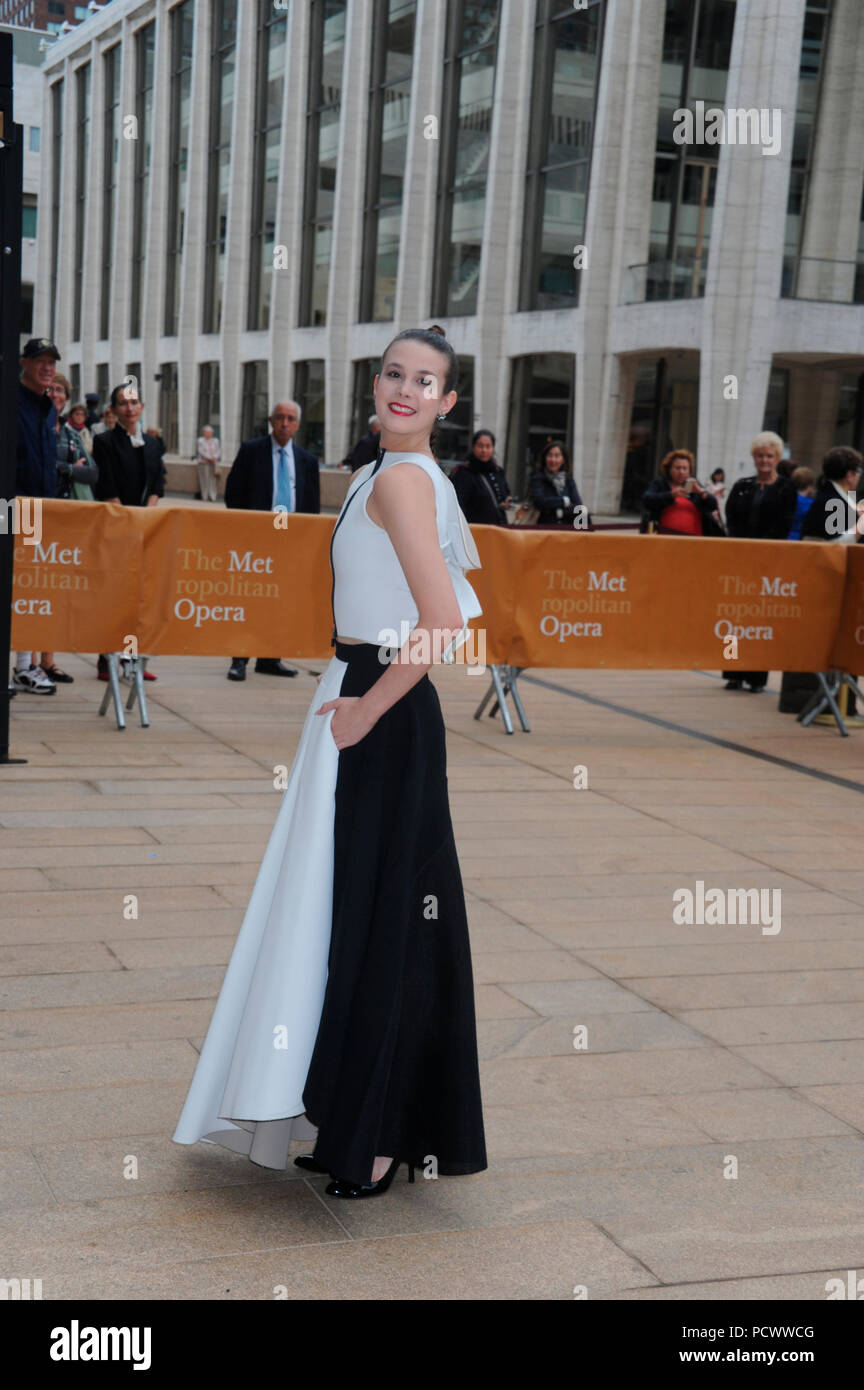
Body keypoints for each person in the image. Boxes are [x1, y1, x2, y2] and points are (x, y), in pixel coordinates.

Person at [173, 323, 487, 1198]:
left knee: (380, 920)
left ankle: (378, 1137)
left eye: (426, 381)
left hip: (381, 711)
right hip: (364, 697)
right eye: (394, 373)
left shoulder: (406, 484)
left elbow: (443, 625)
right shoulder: (380, 475)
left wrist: (364, 713)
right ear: (377, 383)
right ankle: (364, 1119)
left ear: (446, 403)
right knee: (358, 917)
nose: (405, 389)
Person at [224, 401, 320, 681]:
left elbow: (311, 504)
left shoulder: (306, 460)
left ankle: (270, 658)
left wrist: (305, 539)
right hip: (256, 540)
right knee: (251, 600)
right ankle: (239, 659)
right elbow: (234, 494)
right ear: (270, 420)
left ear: (298, 424)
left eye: (290, 418)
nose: (285, 423)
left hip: (290, 542)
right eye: (280, 418)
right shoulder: (251, 451)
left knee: (281, 601)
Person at [92, 382, 165, 682]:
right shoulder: (105, 441)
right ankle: (105, 658)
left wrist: (146, 515)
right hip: (118, 525)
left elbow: (158, 482)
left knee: (140, 598)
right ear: (114, 410)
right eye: (123, 403)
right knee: (115, 596)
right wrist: (127, 521)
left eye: (134, 403)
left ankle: (132, 658)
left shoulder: (153, 443)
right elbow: (106, 484)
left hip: (145, 526)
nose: (129, 408)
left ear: (142, 408)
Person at [723, 431, 797, 693]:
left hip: (768, 562)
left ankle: (756, 677)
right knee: (734, 618)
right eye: (760, 456)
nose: (764, 460)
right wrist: (741, 546)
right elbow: (731, 516)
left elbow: (784, 523)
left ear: (776, 458)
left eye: (769, 456)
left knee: (760, 620)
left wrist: (761, 549)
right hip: (740, 560)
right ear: (753, 458)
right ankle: (732, 671)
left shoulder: (787, 488)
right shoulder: (742, 485)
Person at [11, 337, 60, 696]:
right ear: (23, 363)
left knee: (31, 585)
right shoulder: (10, 399)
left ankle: (24, 667)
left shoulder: (48, 407)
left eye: (51, 362)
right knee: (9, 584)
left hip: (41, 509)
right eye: (40, 360)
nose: (46, 367)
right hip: (9, 508)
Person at [641, 450, 723, 535]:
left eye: (685, 468)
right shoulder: (660, 483)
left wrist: (701, 492)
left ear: (689, 471)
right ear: (669, 469)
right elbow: (646, 500)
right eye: (677, 468)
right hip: (663, 539)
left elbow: (713, 505)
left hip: (694, 540)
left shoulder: (693, 484)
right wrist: (671, 495)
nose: (681, 472)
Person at [451, 429, 512, 525]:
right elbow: (459, 504)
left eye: (488, 446)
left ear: (493, 448)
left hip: (498, 528)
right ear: (473, 447)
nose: (484, 450)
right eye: (480, 446)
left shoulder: (498, 471)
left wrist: (506, 501)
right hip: (475, 528)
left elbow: (505, 492)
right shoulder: (464, 472)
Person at [529, 441, 592, 528]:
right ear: (545, 458)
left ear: (563, 459)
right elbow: (540, 501)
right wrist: (564, 501)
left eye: (557, 456)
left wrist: (560, 511)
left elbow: (578, 506)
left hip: (567, 530)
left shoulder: (568, 480)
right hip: (545, 530)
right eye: (550, 455)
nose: (553, 460)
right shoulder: (538, 478)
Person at [786, 465, 816, 540]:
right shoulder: (810, 504)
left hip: (784, 538)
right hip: (801, 540)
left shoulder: (785, 499)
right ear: (810, 486)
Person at [196, 424, 221, 502]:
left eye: (210, 432)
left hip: (213, 463)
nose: (208, 434)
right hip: (203, 463)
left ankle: (213, 496)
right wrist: (209, 458)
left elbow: (218, 450)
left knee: (213, 480)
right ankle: (205, 496)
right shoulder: (200, 440)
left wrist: (214, 457)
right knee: (204, 479)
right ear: (204, 433)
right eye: (207, 432)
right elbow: (201, 451)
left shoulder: (216, 440)